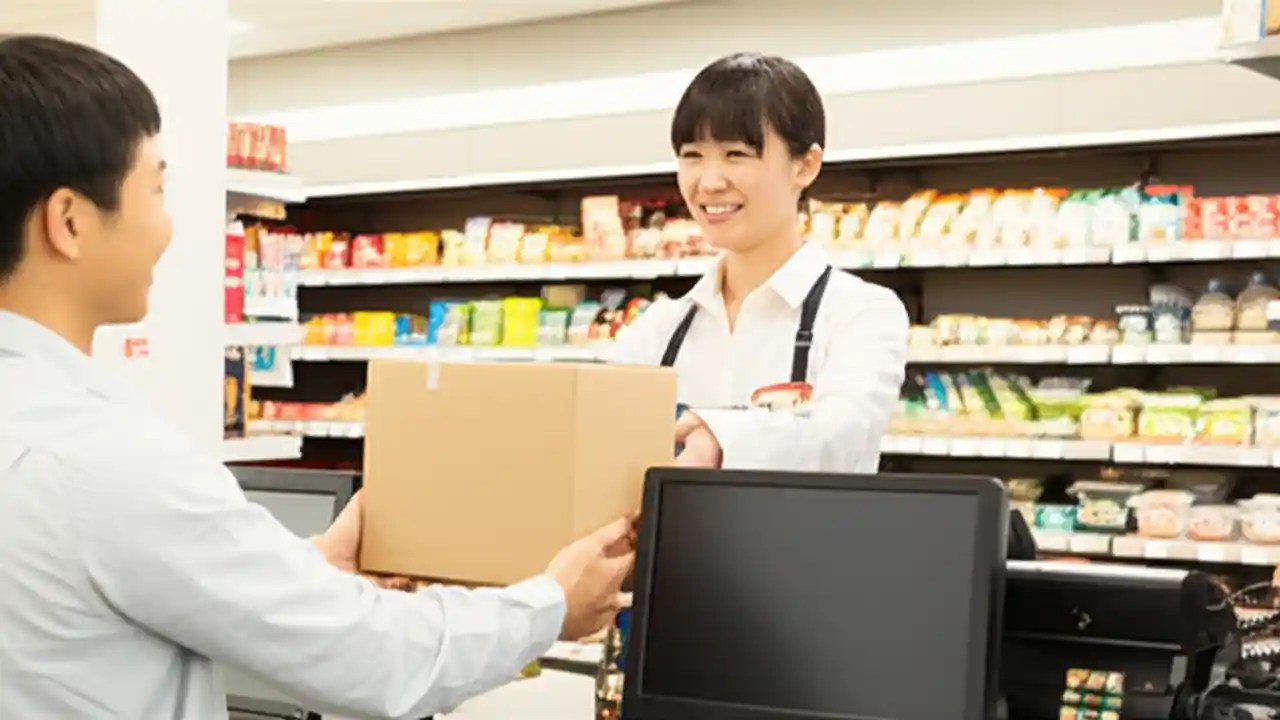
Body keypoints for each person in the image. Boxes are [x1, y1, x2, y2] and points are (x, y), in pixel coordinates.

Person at [0, 35, 635, 720]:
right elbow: (374, 658)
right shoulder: (102, 459)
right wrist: (550, 605)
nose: (168, 226)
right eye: (156, 187)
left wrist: (303, 571)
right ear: (68, 221)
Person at [610, 52, 910, 474]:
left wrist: (719, 439)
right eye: (692, 155)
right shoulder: (656, 330)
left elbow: (841, 437)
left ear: (805, 166)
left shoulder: (861, 313)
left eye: (735, 154)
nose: (709, 182)